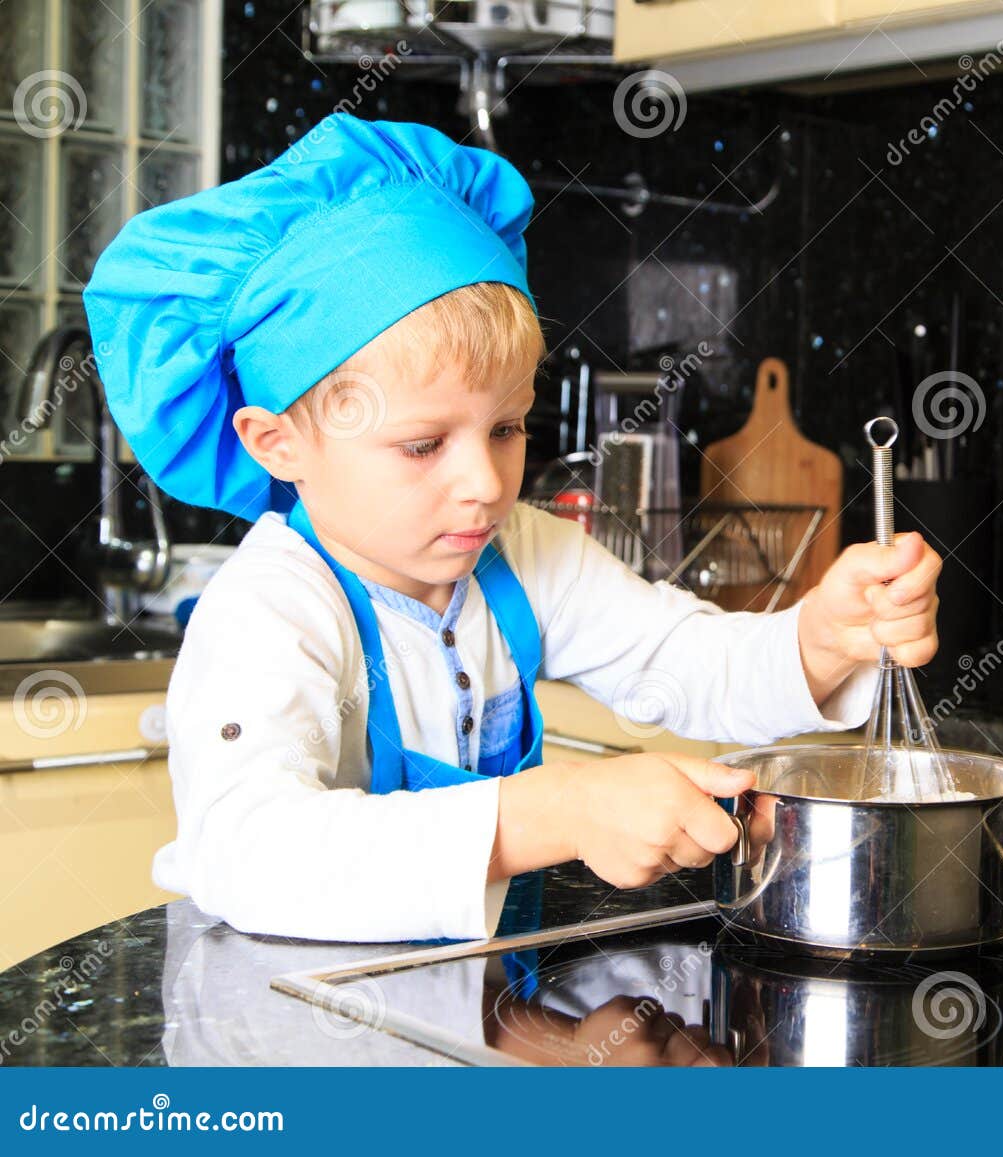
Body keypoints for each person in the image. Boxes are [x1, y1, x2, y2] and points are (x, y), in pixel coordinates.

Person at [83, 113, 941, 945]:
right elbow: (252, 853)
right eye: (423, 445)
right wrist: (557, 812)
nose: (487, 483)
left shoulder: (518, 554)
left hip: (468, 997)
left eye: (506, 428)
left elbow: (679, 658)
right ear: (278, 444)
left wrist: (823, 640)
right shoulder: (270, 611)